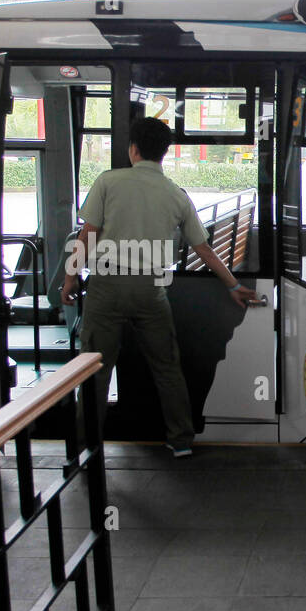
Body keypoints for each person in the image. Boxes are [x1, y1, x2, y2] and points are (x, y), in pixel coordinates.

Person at [62, 117, 258, 457]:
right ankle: (180, 440)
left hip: (106, 286)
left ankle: (85, 444)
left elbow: (87, 234)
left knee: (94, 367)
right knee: (167, 367)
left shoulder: (109, 182)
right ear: (164, 153)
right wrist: (233, 285)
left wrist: (69, 278)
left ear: (133, 149)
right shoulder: (176, 195)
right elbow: (204, 250)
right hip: (151, 287)